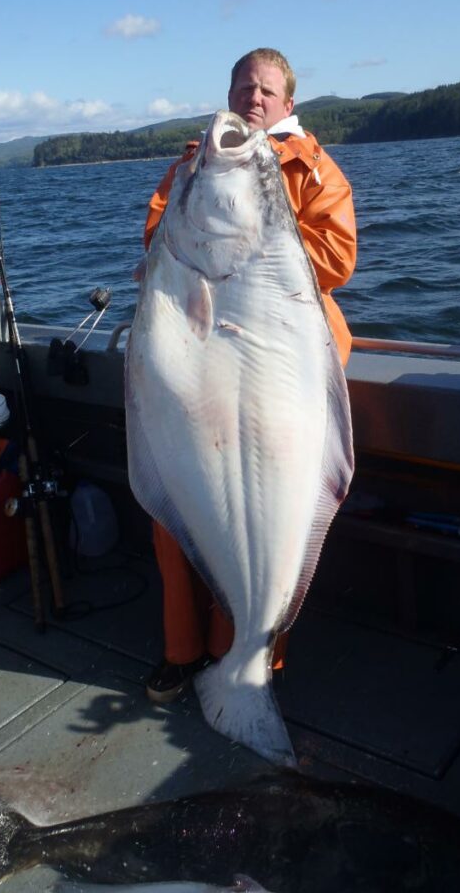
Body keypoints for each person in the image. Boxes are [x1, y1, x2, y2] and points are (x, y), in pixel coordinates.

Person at [142, 47, 357, 702]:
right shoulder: (192, 164)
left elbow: (337, 259)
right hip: (201, 371)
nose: (253, 99)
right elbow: (157, 238)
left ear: (287, 104)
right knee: (182, 510)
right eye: (244, 87)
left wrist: (267, 226)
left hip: (279, 373)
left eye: (267, 91)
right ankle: (183, 654)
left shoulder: (314, 169)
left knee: (276, 517)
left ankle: (251, 660)